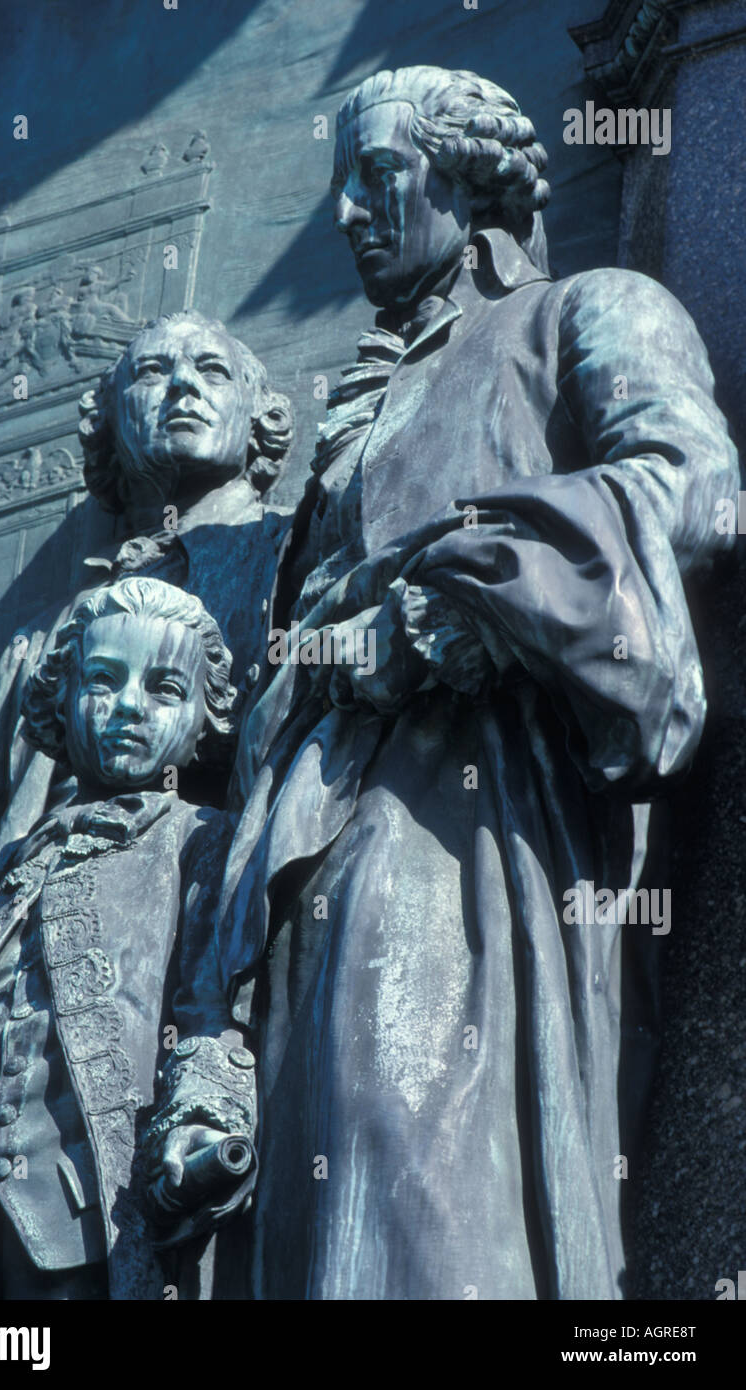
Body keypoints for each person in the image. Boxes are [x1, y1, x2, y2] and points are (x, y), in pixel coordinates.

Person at [213, 66, 740, 1299]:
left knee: (412, 1169)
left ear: (465, 176)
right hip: (299, 830)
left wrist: (478, 602)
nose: (345, 210)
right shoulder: (359, 405)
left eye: (374, 175)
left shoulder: (586, 310)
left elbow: (697, 486)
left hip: (466, 804)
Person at [0, 577, 251, 1300]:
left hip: (82, 1223)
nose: (129, 705)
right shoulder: (14, 863)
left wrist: (203, 1122)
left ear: (204, 717)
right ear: (59, 697)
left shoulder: (202, 844)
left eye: (163, 689)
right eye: (102, 679)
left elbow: (211, 1012)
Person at [0, 311, 293, 948]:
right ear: (110, 421)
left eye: (211, 370)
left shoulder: (299, 563)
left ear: (257, 417)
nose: (182, 386)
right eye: (151, 371)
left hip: (222, 935)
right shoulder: (43, 640)